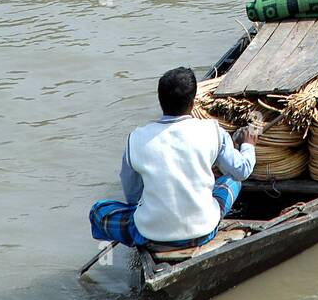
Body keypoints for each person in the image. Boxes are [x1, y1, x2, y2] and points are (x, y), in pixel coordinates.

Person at [89, 67, 256, 250]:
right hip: (203, 231)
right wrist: (248, 143)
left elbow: (133, 196)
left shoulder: (135, 139)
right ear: (193, 103)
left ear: (160, 101)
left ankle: (137, 240)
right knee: (232, 179)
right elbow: (242, 170)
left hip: (151, 234)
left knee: (99, 210)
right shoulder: (213, 131)